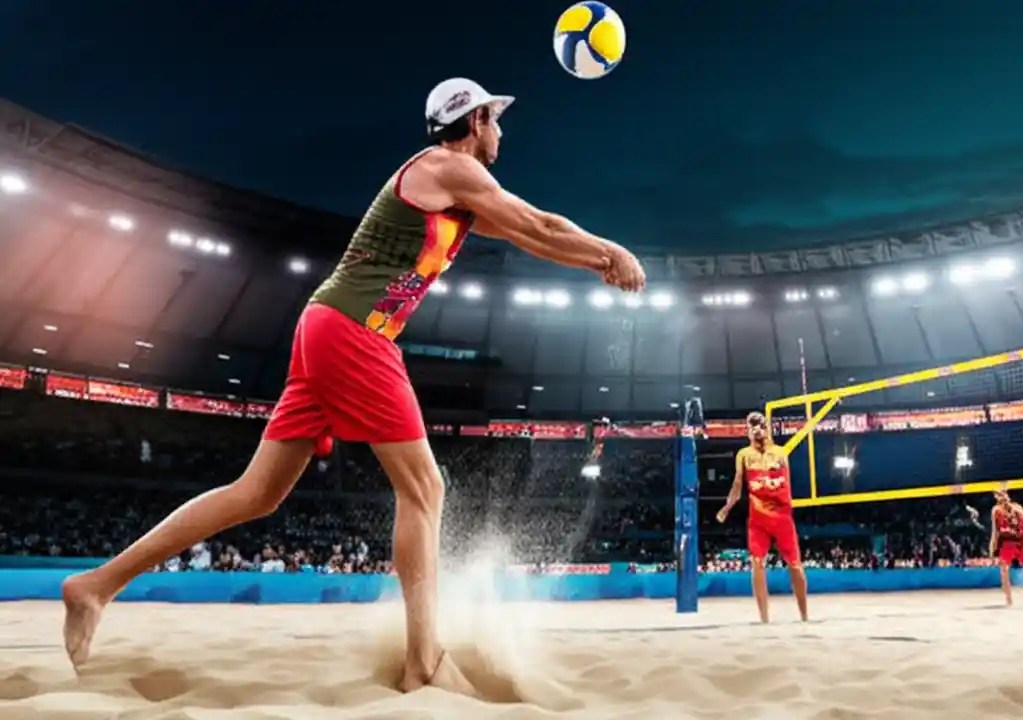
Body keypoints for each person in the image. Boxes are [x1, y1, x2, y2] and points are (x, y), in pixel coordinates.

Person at [59, 77, 646, 695]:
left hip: (330, 324)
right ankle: (423, 662)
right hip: (355, 331)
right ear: (473, 123)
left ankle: (95, 585)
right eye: (495, 120)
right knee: (425, 488)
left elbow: (529, 235)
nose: (501, 131)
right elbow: (540, 220)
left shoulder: (462, 196)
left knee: (256, 493)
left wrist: (594, 262)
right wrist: (612, 252)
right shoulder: (450, 167)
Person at [716, 411, 808, 623]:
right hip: (758, 520)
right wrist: (727, 507)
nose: (756, 430)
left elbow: (785, 485)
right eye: (752, 427)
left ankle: (804, 615)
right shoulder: (744, 455)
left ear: (766, 429)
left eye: (759, 426)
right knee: (757, 563)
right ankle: (764, 619)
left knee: (795, 564)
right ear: (747, 432)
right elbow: (737, 486)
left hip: (782, 517)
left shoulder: (780, 453)